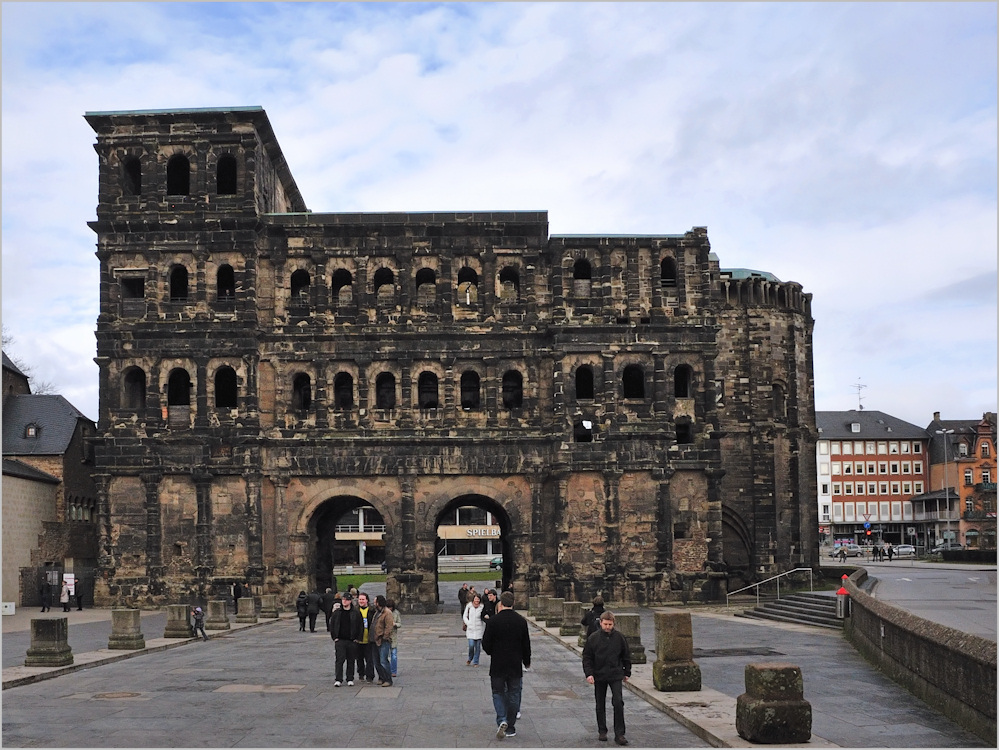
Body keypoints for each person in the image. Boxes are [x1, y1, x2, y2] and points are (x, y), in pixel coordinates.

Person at [482, 591, 531, 740]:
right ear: (513, 603)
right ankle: (510, 726)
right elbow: (526, 644)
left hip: (498, 664)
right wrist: (526, 660)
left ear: (501, 603)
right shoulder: (521, 621)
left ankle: (502, 719)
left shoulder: (493, 622)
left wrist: (492, 652)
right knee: (514, 694)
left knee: (498, 693)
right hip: (515, 664)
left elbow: (486, 644)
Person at [582, 610, 632, 745]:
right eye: (605, 624)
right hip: (599, 674)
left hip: (615, 674)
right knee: (600, 703)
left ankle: (619, 733)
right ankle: (602, 730)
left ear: (614, 624)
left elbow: (626, 655)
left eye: (610, 624)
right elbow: (587, 657)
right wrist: (589, 673)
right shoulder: (593, 638)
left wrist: (627, 672)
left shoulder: (620, 637)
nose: (608, 627)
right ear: (601, 623)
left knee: (618, 702)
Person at [329, 592, 362, 687]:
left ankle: (350, 678)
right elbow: (332, 625)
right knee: (339, 660)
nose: (344, 601)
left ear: (350, 601)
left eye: (346, 599)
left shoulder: (356, 612)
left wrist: (357, 638)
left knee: (351, 660)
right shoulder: (337, 612)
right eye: (343, 599)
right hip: (340, 640)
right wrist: (334, 637)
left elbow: (360, 626)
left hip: (352, 640)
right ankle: (338, 679)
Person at [373, 594, 395, 686]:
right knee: (376, 661)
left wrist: (384, 637)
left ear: (378, 603)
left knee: (383, 660)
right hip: (375, 639)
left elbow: (389, 627)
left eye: (375, 601)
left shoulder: (387, 613)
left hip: (383, 640)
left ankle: (388, 679)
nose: (374, 603)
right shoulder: (377, 612)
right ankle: (381, 677)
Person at [356, 592, 377, 681]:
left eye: (363, 599)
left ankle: (370, 676)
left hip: (369, 638)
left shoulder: (372, 611)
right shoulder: (355, 611)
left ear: (367, 600)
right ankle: (361, 674)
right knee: (359, 659)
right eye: (360, 599)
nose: (361, 601)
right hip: (358, 638)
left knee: (369, 659)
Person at [463, 593, 486, 666]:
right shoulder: (469, 606)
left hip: (479, 629)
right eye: (475, 599)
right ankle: (470, 658)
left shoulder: (482, 607)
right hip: (471, 629)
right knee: (471, 645)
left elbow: (483, 615)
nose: (477, 600)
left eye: (478, 599)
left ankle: (476, 661)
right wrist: (468, 623)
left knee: (478, 647)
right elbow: (465, 616)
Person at [388, 599, 401, 677]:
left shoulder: (396, 613)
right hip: (386, 636)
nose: (389, 609)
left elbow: (399, 624)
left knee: (394, 655)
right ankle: (387, 670)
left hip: (393, 637)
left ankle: (393, 671)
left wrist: (395, 624)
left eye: (391, 607)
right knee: (386, 656)